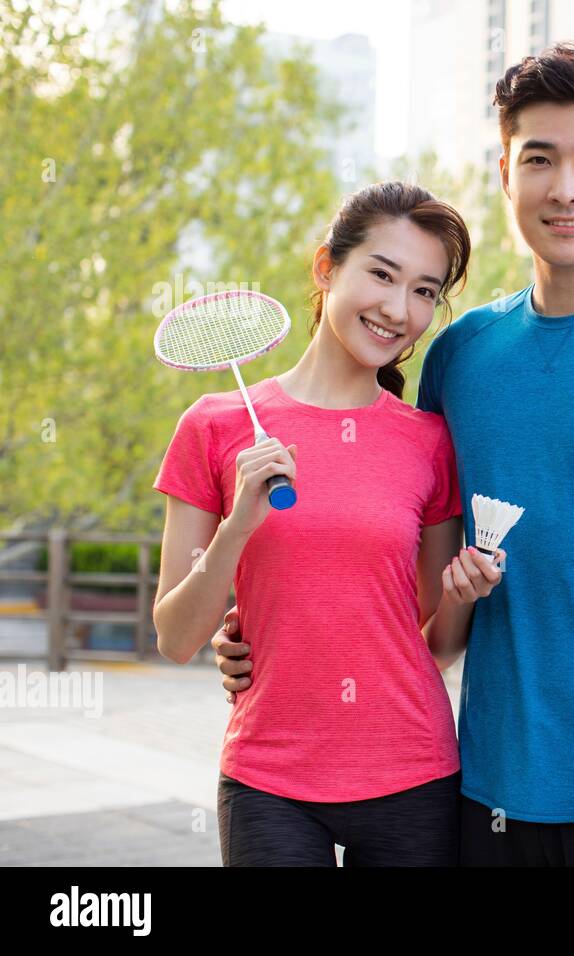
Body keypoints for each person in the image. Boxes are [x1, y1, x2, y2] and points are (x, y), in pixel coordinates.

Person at [217, 43, 574, 867]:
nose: (566, 188)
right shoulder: (458, 357)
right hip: (481, 796)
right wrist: (262, 630)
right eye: (540, 160)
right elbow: (399, 554)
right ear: (507, 174)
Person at [154, 181, 503, 866]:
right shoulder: (213, 427)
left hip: (414, 773)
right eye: (382, 274)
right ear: (325, 268)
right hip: (269, 781)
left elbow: (429, 644)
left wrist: (463, 599)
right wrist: (238, 528)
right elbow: (175, 636)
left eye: (425, 291)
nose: (399, 309)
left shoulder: (430, 441)